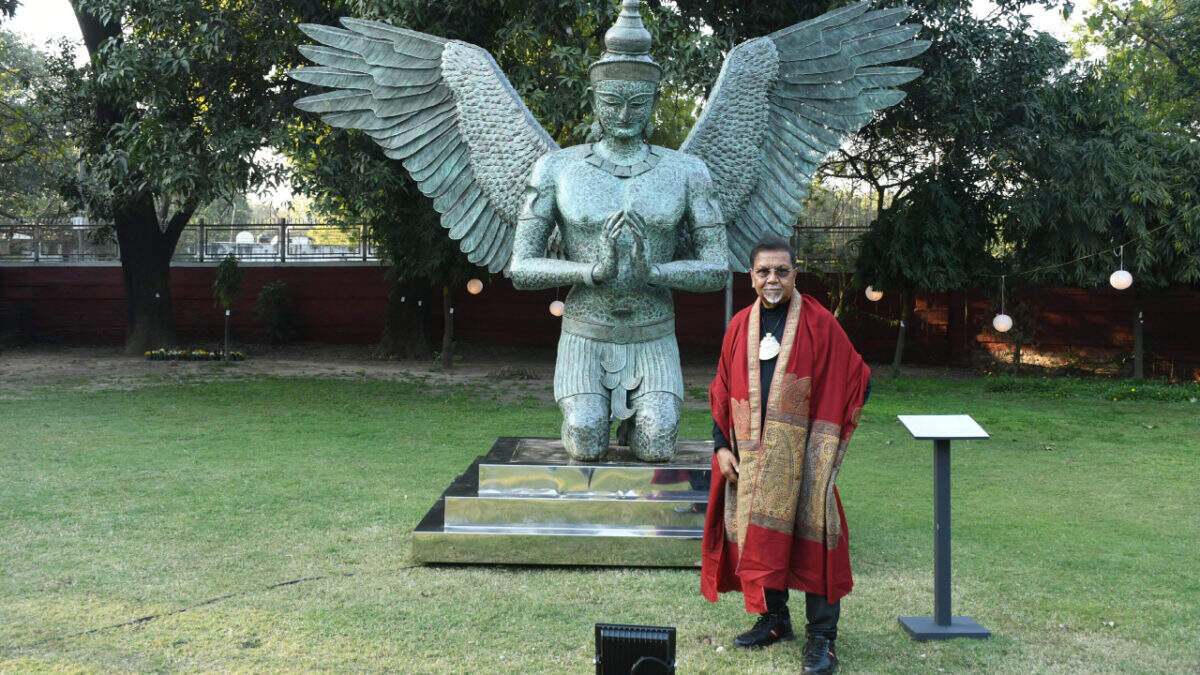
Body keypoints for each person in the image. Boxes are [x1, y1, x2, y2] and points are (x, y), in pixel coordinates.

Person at [702, 237, 871, 674]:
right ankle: (775, 619)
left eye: (781, 271)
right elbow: (721, 389)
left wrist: (822, 438)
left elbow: (857, 378)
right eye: (763, 272)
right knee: (758, 539)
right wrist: (722, 446)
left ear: (796, 274)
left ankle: (822, 639)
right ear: (751, 277)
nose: (772, 279)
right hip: (751, 458)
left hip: (803, 460)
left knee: (815, 541)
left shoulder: (819, 323)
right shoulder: (740, 324)